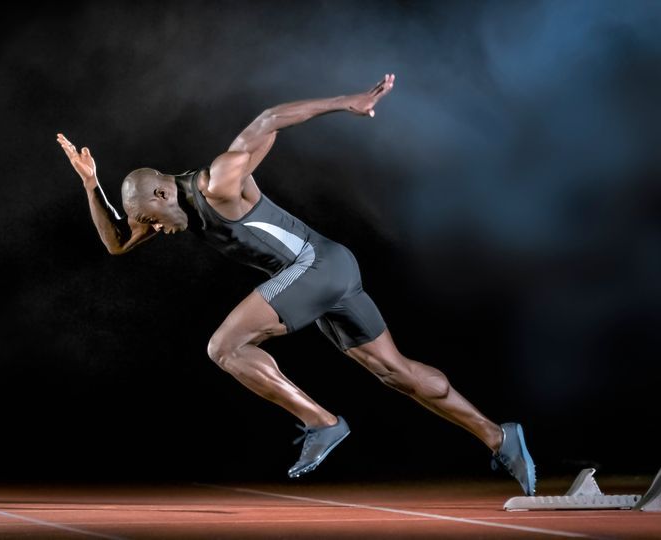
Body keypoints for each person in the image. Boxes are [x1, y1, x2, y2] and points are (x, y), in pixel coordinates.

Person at [56, 74, 535, 494]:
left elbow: (267, 120)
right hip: (329, 272)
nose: (154, 232)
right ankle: (499, 437)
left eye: (152, 221)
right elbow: (118, 243)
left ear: (162, 192)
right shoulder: (165, 208)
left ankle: (321, 422)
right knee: (396, 372)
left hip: (317, 266)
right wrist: (91, 184)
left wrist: (346, 101)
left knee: (224, 347)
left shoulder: (217, 182)